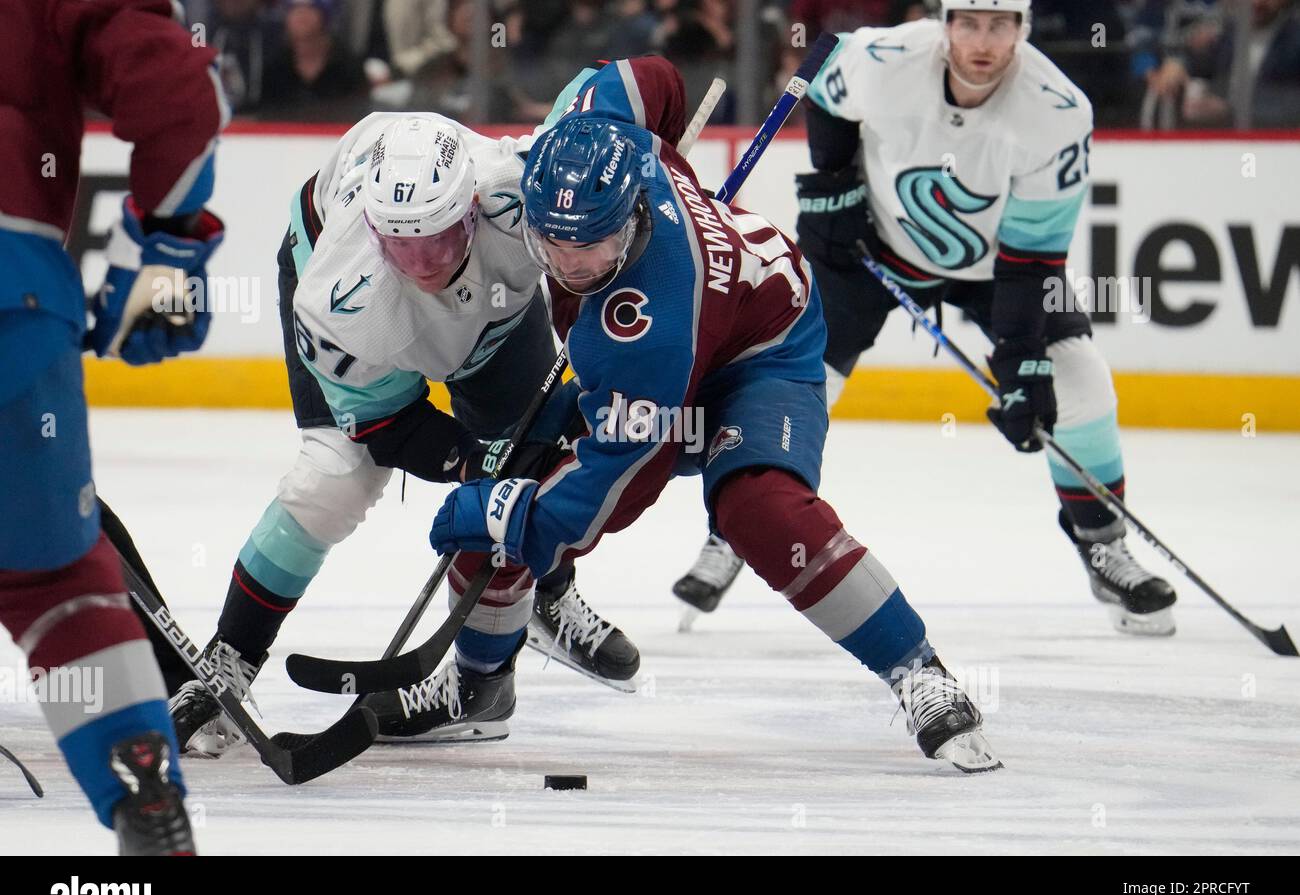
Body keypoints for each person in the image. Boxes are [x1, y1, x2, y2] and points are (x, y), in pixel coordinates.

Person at [427, 55, 1003, 774]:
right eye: (556, 246)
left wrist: (517, 525)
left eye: (593, 247)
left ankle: (920, 672)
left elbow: (612, 484)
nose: (572, 268)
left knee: (754, 505)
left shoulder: (648, 327)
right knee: (518, 464)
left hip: (761, 348)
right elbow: (651, 77)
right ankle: (479, 689)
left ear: (634, 215)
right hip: (689, 327)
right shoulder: (579, 154)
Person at [675, 0, 1179, 637]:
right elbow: (825, 75)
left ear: (1023, 29)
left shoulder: (1057, 110)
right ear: (944, 23)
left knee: (1079, 380)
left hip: (999, 269)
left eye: (1000, 25)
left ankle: (1102, 540)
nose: (983, 42)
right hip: (870, 249)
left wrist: (1023, 364)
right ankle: (736, 528)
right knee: (791, 381)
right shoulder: (889, 59)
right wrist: (834, 182)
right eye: (968, 22)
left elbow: (1031, 260)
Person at [169, 113, 642, 756]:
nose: (423, 265)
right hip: (352, 306)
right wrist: (473, 463)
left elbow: (610, 145)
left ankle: (546, 595)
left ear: (472, 206)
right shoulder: (337, 297)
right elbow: (387, 425)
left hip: (493, 308)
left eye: (439, 239)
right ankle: (229, 662)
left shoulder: (518, 187)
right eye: (402, 244)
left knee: (522, 468)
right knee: (332, 481)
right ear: (372, 225)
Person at [0, 0, 227, 854]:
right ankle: (142, 792)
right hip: (13, 296)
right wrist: (167, 249)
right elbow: (177, 90)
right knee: (56, 586)